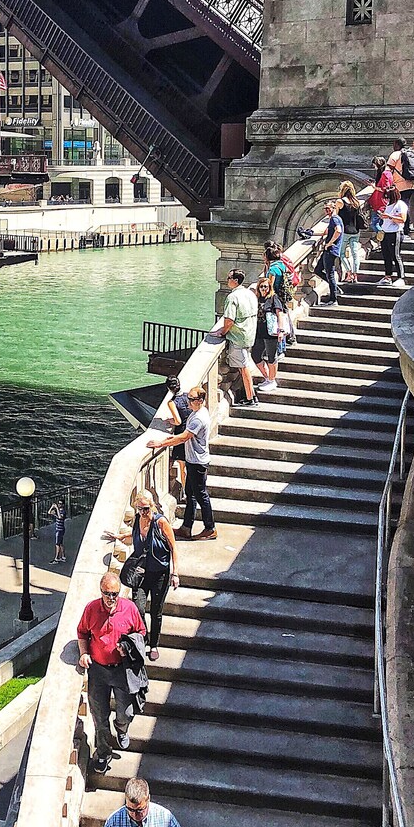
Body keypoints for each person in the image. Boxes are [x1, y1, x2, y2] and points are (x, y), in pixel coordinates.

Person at [78, 571, 146, 772]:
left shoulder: (130, 609)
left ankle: (122, 729)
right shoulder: (91, 609)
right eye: (107, 593)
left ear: (119, 593)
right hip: (98, 671)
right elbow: (82, 631)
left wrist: (128, 647)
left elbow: (141, 632)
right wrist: (84, 653)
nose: (110, 598)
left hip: (122, 671)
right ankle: (103, 753)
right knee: (100, 716)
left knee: (125, 712)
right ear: (101, 592)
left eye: (114, 594)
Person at [148, 386, 214, 542]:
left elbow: (183, 437)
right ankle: (186, 527)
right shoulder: (197, 412)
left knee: (201, 495)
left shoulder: (199, 418)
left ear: (200, 401)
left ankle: (210, 528)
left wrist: (161, 443)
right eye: (188, 398)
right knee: (190, 494)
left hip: (198, 463)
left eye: (191, 399)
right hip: (192, 460)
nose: (187, 402)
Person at [127, 490, 178, 661]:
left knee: (156, 611)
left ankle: (154, 644)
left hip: (160, 574)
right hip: (141, 573)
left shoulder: (161, 522)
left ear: (152, 506)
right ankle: (144, 639)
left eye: (146, 509)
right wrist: (120, 536)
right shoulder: (137, 520)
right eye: (140, 509)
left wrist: (175, 573)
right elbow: (136, 537)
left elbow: (173, 547)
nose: (143, 512)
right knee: (138, 608)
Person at [219, 269, 260, 408]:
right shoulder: (250, 294)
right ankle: (250, 396)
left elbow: (229, 320)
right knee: (244, 365)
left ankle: (251, 397)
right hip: (249, 335)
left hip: (238, 338)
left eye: (229, 277)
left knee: (244, 368)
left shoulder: (232, 297)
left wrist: (223, 332)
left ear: (235, 281)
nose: (227, 280)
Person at [250, 276, 285, 391]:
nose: (263, 289)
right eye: (261, 286)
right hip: (259, 331)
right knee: (255, 355)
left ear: (270, 287)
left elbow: (280, 314)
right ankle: (267, 377)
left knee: (271, 356)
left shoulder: (273, 298)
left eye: (266, 286)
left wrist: (281, 330)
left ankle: (272, 380)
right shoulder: (257, 299)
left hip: (271, 332)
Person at [315, 198, 344, 305]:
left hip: (331, 250)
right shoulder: (336, 219)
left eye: (328, 208)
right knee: (317, 270)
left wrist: (329, 243)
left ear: (333, 208)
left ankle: (333, 299)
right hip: (330, 250)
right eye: (325, 209)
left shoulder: (335, 219)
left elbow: (338, 231)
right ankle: (335, 288)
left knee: (330, 274)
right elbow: (328, 231)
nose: (326, 211)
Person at [377, 190, 407, 286]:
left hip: (395, 232)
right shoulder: (388, 205)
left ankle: (400, 277)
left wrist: (389, 216)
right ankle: (387, 276)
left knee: (395, 255)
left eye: (388, 197)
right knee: (386, 256)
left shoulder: (400, 205)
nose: (386, 199)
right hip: (385, 232)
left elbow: (402, 219)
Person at [337, 182, 365, 283]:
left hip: (345, 231)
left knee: (342, 253)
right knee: (355, 254)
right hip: (355, 231)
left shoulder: (340, 202)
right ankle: (355, 275)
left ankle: (348, 273)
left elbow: (336, 217)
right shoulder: (356, 202)